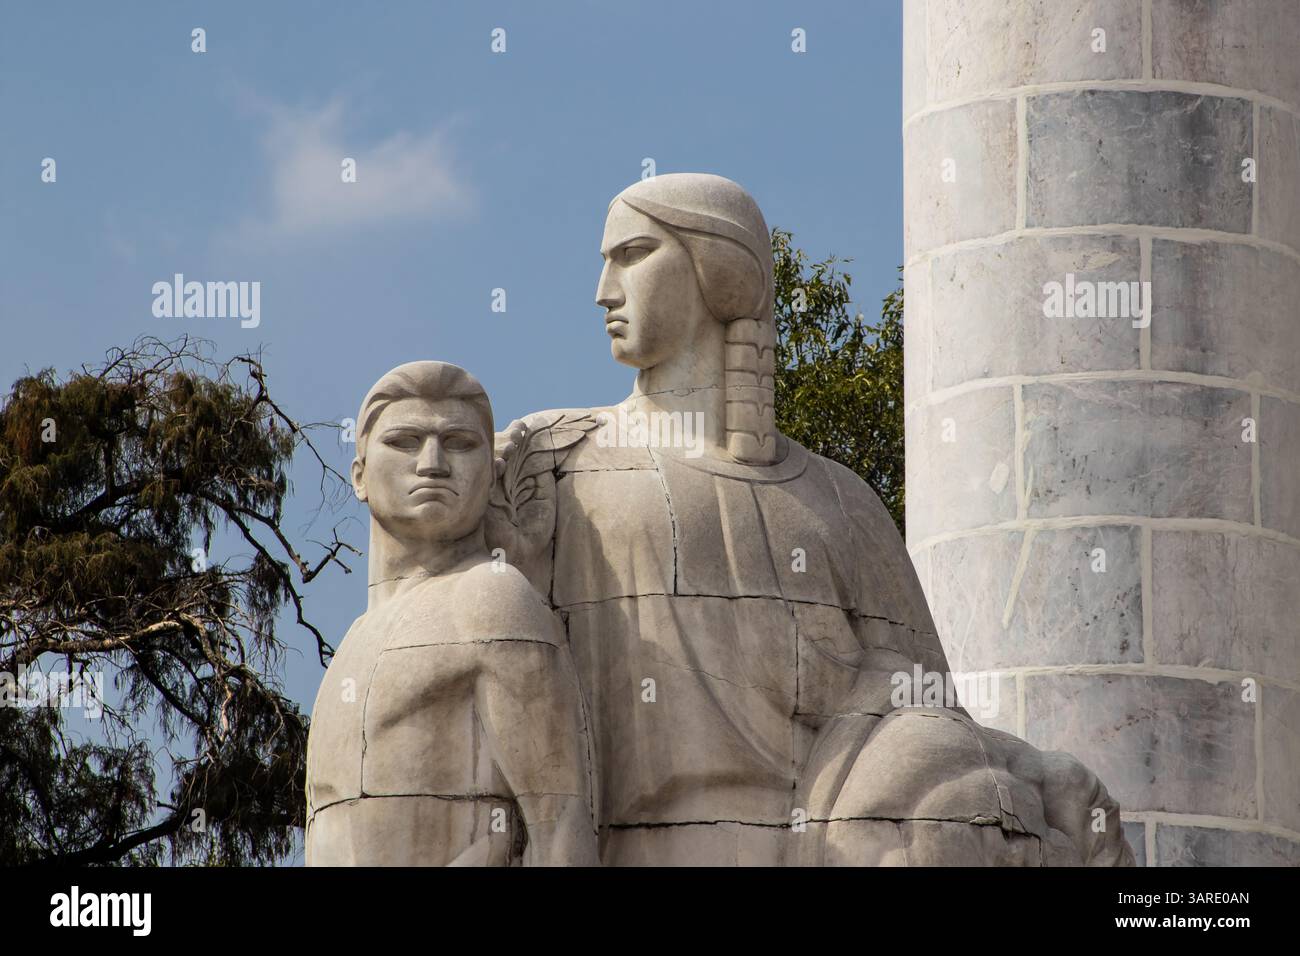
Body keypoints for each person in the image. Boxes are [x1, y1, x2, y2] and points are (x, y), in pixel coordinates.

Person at [486, 174, 1133, 866]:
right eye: (606, 260)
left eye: (634, 254)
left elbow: (929, 720)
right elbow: (478, 671)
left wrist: (1045, 782)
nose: (604, 290)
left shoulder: (841, 500)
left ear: (723, 272)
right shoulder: (556, 460)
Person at [305, 361, 598, 866]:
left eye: (460, 444)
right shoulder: (353, 638)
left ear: (492, 476)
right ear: (359, 476)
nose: (433, 463)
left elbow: (562, 822)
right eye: (404, 441)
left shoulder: (492, 597)